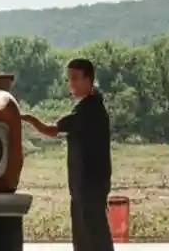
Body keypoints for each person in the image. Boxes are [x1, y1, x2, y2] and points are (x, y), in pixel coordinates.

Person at [21, 58, 114, 251]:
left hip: (90, 182)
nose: (70, 83)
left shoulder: (88, 110)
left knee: (93, 234)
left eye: (75, 78)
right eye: (68, 78)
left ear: (89, 80)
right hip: (85, 183)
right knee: (85, 233)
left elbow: (51, 129)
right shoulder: (91, 106)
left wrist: (27, 118)